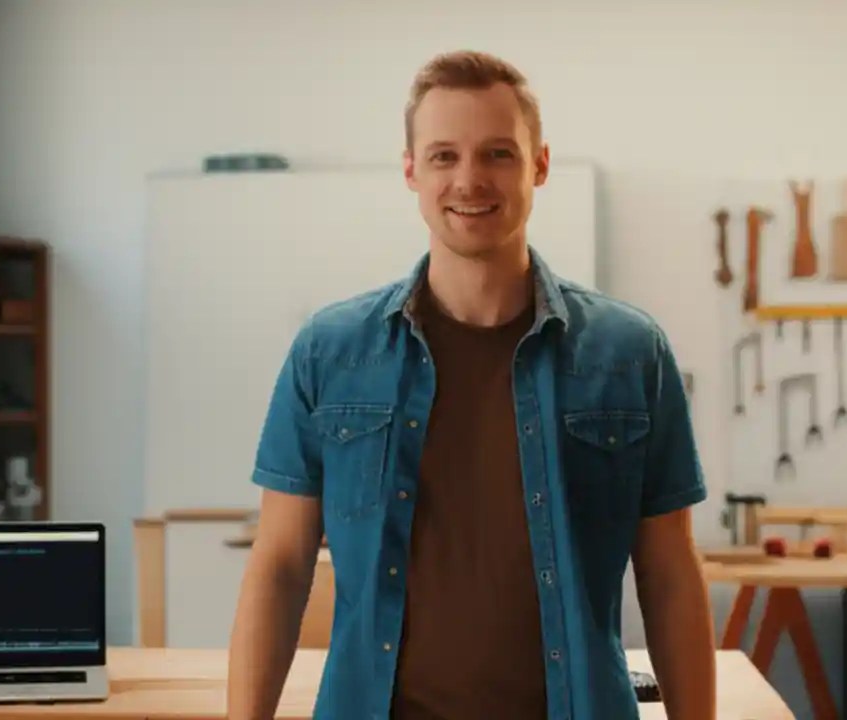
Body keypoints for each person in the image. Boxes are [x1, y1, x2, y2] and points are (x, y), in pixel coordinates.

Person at [227, 49, 716, 720]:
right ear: (411, 171)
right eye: (443, 156)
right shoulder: (330, 351)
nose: (470, 180)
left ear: (540, 164)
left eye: (498, 154)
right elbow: (280, 567)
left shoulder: (630, 353)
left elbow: (669, 577)